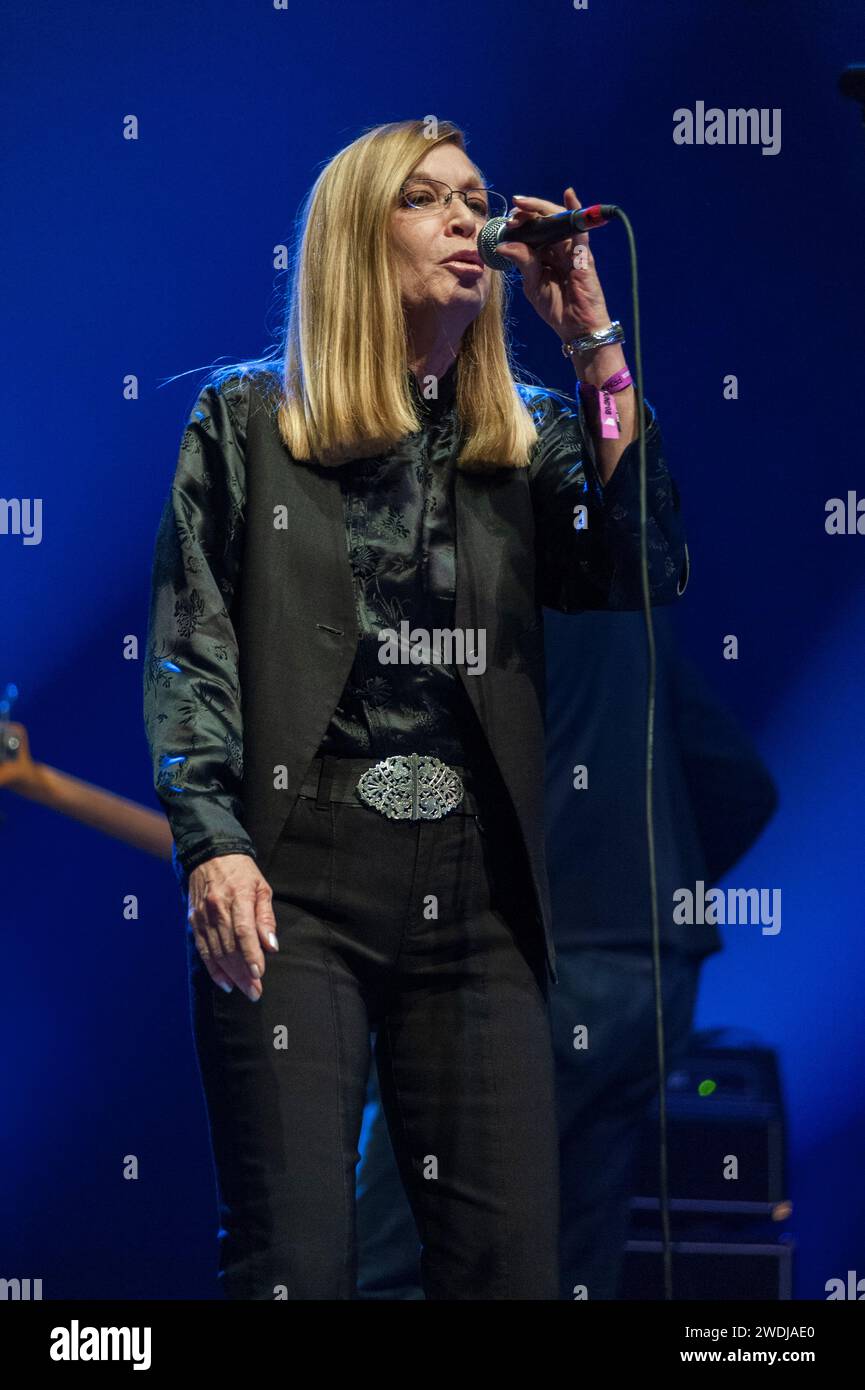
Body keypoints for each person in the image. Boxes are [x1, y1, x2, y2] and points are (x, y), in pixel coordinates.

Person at [142, 117, 689, 1301]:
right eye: (426, 197)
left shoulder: (526, 433)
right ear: (354, 234)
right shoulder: (248, 421)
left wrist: (596, 346)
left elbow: (638, 553)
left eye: (475, 197)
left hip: (478, 887)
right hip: (299, 875)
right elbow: (193, 645)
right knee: (300, 1256)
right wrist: (211, 842)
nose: (466, 217)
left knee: (508, 1265)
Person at [355, 609, 778, 1300]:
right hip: (651, 979)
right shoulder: (621, 609)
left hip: (515, 977)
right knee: (570, 1272)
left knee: (393, 1270)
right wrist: (648, 891)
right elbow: (740, 786)